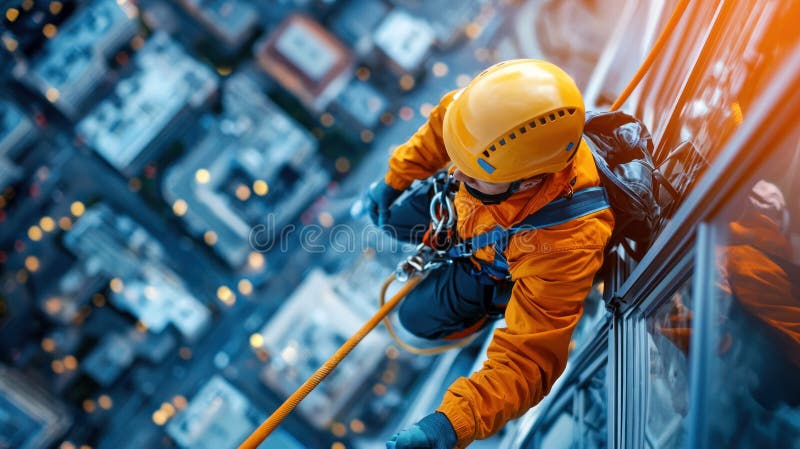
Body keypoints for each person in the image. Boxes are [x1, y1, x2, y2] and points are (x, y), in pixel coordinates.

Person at [365, 59, 615, 449]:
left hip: (497, 263)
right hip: (474, 219)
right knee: (392, 217)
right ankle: (461, 222)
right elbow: (441, 131)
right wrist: (395, 179)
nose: (456, 175)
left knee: (415, 318)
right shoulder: (486, 118)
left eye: (475, 174)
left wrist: (448, 425)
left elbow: (528, 361)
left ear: (530, 179)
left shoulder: (565, 242)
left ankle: (487, 304)